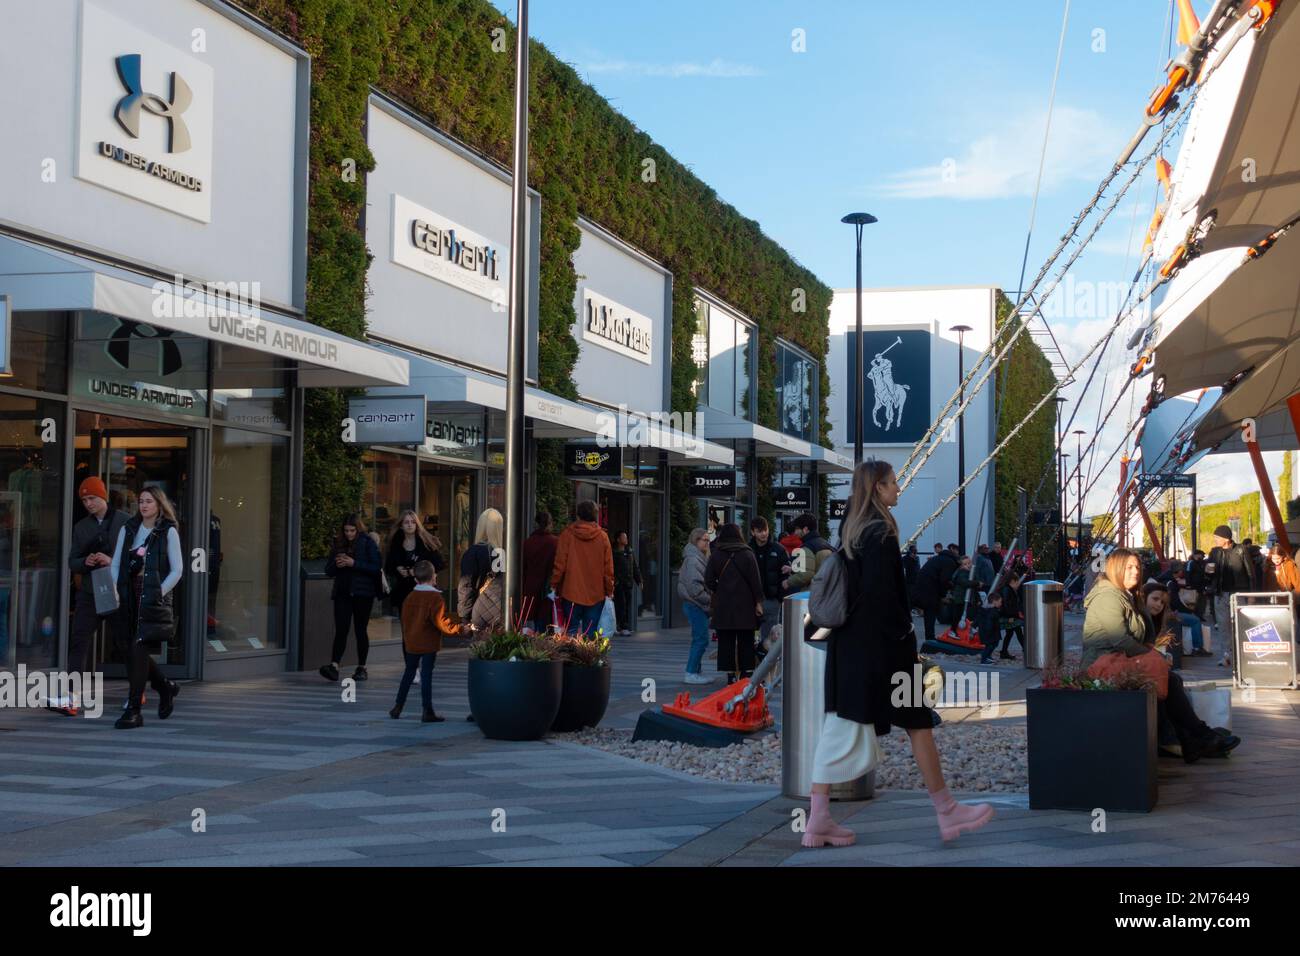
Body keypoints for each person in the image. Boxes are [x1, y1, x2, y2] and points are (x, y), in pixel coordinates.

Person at [803, 459, 995, 848]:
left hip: (854, 650)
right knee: (914, 722)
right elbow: (883, 597)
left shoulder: (852, 531)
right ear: (877, 488)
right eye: (893, 483)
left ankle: (819, 818)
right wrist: (906, 638)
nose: (899, 488)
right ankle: (944, 811)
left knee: (847, 725)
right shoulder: (880, 534)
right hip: (885, 650)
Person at [1082, 549, 1241, 763]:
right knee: (1167, 678)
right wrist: (1153, 655)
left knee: (1168, 678)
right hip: (1102, 666)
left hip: (1118, 660)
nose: (1135, 572)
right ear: (1115, 568)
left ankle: (1192, 739)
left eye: (1137, 567)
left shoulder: (1124, 595)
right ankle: (1196, 737)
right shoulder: (1108, 596)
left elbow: (1140, 635)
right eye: (1129, 567)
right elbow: (1120, 639)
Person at [109, 486, 183, 729]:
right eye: (141, 501)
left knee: (138, 647)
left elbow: (177, 570)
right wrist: (115, 590)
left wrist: (158, 592)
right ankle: (165, 686)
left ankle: (134, 710)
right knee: (132, 650)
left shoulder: (168, 531)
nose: (143, 505)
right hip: (128, 595)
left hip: (151, 597)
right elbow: (116, 564)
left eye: (149, 501)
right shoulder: (128, 528)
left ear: (159, 505)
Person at [64, 476, 129, 716]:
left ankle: (137, 691)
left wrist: (111, 561)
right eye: (84, 500)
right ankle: (71, 695)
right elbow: (72, 560)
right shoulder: (81, 527)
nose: (88, 503)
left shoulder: (125, 522)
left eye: (92, 498)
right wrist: (86, 561)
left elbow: (135, 557)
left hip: (117, 591)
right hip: (90, 591)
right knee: (79, 640)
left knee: (125, 641)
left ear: (103, 496)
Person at [389, 560, 462, 722]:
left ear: (416, 579)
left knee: (408, 673)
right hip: (428, 643)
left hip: (412, 642)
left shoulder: (410, 597)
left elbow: (405, 620)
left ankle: (398, 706)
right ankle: (427, 710)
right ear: (433, 577)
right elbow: (442, 622)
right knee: (426, 675)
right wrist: (460, 629)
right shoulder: (435, 598)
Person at [319, 514, 382, 683]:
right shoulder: (338, 543)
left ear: (358, 529)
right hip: (343, 592)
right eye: (346, 530)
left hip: (363, 593)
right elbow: (328, 570)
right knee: (341, 629)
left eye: (352, 530)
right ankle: (334, 666)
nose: (349, 534)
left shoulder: (367, 542)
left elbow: (376, 567)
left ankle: (362, 667)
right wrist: (337, 565)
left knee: (360, 630)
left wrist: (354, 563)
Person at [704, 522, 764, 682]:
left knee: (725, 641)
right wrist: (758, 601)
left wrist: (720, 588)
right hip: (745, 605)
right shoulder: (747, 554)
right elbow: (755, 581)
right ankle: (747, 673)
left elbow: (708, 579)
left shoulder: (716, 554)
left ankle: (730, 675)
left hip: (724, 605)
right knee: (746, 640)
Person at [551, 499, 614, 637]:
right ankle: (588, 657)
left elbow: (559, 563)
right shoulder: (603, 537)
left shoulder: (567, 535)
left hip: (571, 591)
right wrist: (609, 590)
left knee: (571, 630)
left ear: (578, 515)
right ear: (595, 515)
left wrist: (553, 584)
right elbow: (608, 568)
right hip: (596, 593)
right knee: (590, 633)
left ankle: (571, 657)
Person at [1207, 525, 1257, 653]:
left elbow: (1251, 573)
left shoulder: (1241, 550)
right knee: (1223, 626)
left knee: (1240, 624)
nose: (1215, 540)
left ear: (1226, 538)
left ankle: (1242, 652)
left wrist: (1252, 594)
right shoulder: (1215, 552)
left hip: (1238, 593)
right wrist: (1208, 572)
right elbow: (1209, 574)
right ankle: (1226, 654)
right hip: (1220, 593)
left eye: (1217, 537)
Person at [385, 510, 444, 615]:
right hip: (402, 590)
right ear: (401, 525)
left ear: (417, 525)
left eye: (413, 522)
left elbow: (439, 564)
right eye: (406, 522)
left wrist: (418, 571)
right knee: (406, 624)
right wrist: (397, 569)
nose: (410, 525)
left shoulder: (426, 542)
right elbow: (388, 566)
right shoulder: (395, 543)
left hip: (422, 590)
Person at [677, 528, 715, 684]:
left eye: (708, 540)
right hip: (695, 604)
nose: (707, 543)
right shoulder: (693, 559)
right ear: (695, 540)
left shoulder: (698, 557)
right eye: (704, 540)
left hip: (696, 604)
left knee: (699, 638)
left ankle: (696, 671)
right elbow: (694, 587)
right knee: (701, 639)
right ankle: (691, 672)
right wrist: (710, 600)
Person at [458, 508, 504, 634]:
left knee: (481, 650)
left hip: (480, 611)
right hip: (504, 611)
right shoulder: (504, 553)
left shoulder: (474, 552)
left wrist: (464, 616)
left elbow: (466, 585)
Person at [749, 516, 791, 632]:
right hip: (751, 600)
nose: (764, 533)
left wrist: (779, 597)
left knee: (770, 637)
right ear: (752, 532)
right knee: (749, 636)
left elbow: (785, 574)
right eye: (759, 531)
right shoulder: (747, 550)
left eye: (765, 530)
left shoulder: (778, 549)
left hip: (771, 599)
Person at [912, 545, 959, 644]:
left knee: (929, 612)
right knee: (930, 612)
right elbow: (944, 580)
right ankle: (930, 638)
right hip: (930, 590)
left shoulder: (938, 558)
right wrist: (944, 595)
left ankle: (929, 638)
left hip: (921, 587)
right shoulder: (950, 562)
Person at [521, 511, 559, 632]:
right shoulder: (555, 542)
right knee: (547, 620)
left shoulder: (528, 542)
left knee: (532, 620)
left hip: (530, 586)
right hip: (549, 587)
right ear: (550, 524)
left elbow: (523, 566)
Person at [784, 513, 832, 592]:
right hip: (827, 593)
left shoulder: (807, 547)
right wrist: (793, 569)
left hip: (813, 594)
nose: (795, 533)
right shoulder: (825, 544)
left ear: (805, 529)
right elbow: (815, 566)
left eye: (797, 529)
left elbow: (805, 575)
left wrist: (788, 582)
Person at [611, 530, 641, 636]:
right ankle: (622, 626)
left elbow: (634, 566)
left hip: (628, 582)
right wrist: (614, 581)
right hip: (619, 583)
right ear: (618, 540)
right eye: (624, 537)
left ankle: (623, 625)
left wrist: (639, 580)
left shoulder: (629, 551)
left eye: (626, 537)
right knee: (621, 604)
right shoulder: (614, 552)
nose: (626, 539)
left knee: (627, 604)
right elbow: (611, 568)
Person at [996, 572, 1026, 659]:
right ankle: (1026, 649)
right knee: (1017, 632)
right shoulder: (1007, 590)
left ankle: (1004, 651)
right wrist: (1014, 614)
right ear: (1012, 581)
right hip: (1009, 615)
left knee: (1011, 633)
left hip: (1009, 615)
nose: (1018, 584)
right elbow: (1007, 604)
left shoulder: (1007, 589)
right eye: (1017, 582)